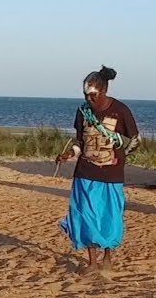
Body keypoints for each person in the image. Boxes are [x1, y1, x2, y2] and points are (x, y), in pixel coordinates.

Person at [56, 65, 140, 272]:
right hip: (85, 172)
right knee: (85, 215)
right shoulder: (82, 111)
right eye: (86, 95)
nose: (89, 99)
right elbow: (80, 141)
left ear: (103, 91)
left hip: (111, 175)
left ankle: (107, 256)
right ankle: (92, 261)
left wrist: (119, 157)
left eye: (93, 95)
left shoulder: (121, 110)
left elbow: (136, 140)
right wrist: (69, 154)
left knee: (108, 216)